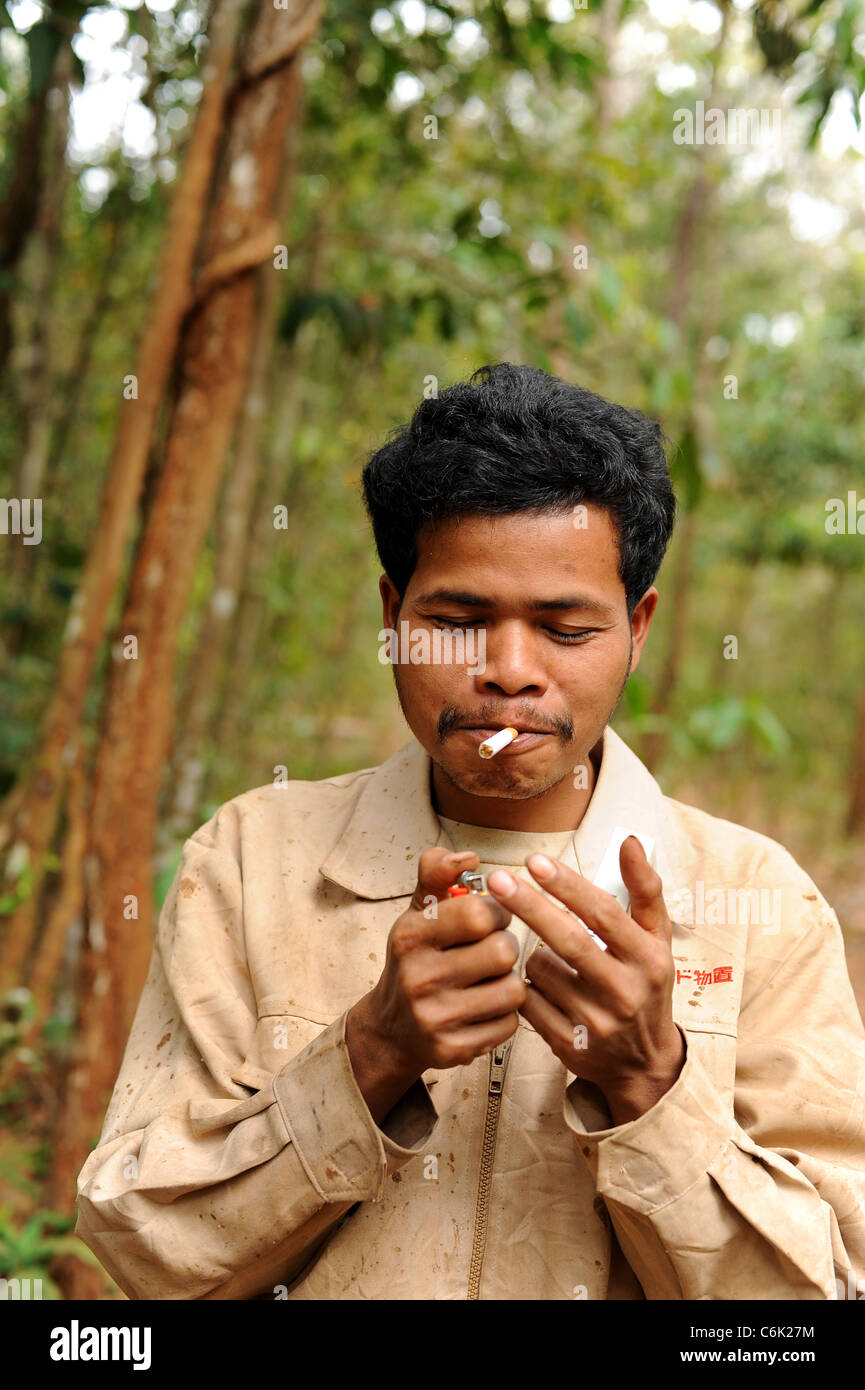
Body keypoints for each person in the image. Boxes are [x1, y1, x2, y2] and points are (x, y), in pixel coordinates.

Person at [75, 363, 865, 1300]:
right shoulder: (253, 861)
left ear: (636, 629)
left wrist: (653, 1084)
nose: (509, 673)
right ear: (392, 617)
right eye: (456, 620)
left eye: (566, 629)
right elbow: (146, 1255)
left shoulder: (758, 904)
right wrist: (371, 1053)